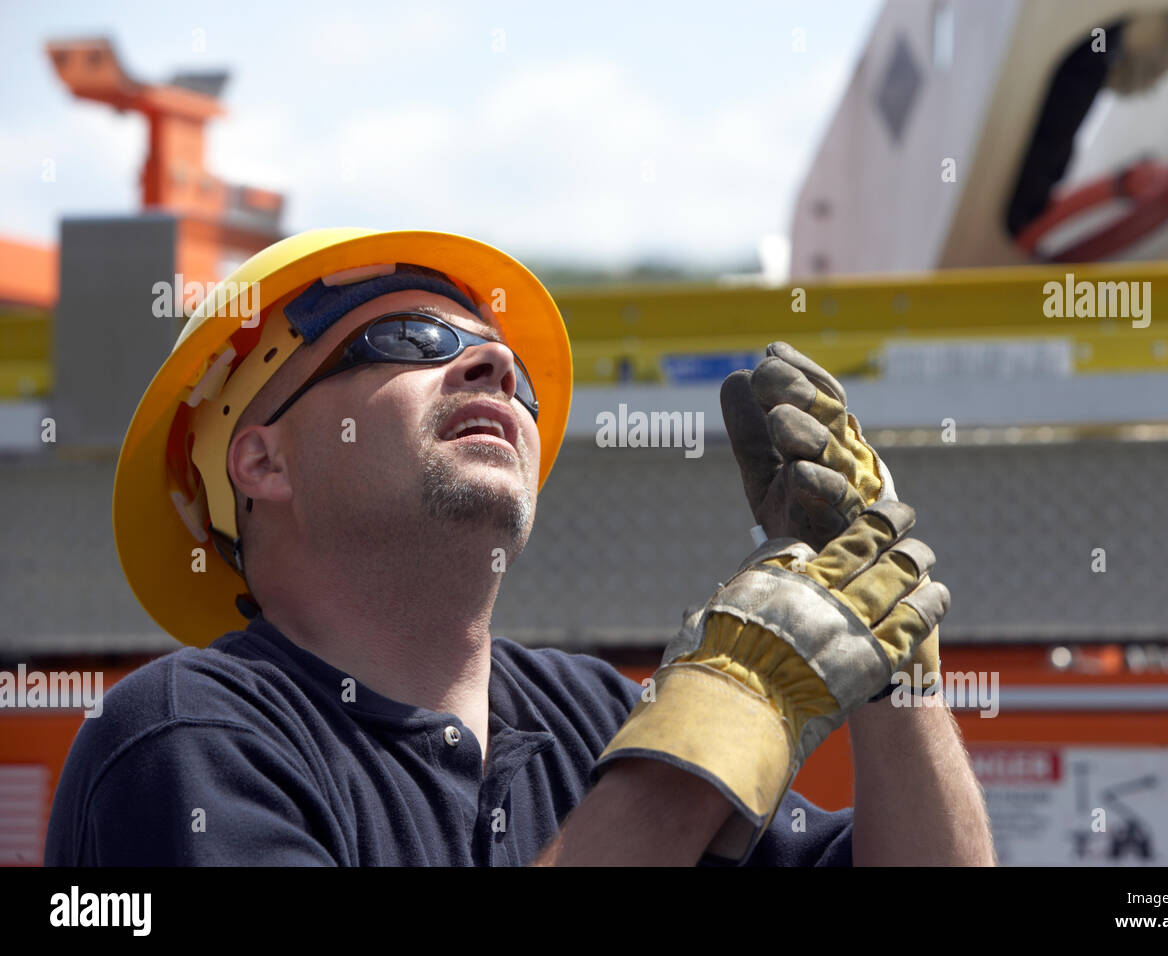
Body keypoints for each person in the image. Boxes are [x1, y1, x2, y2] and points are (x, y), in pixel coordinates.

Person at [44, 229, 994, 866]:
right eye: (410, 336)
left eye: (510, 368)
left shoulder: (588, 715)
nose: (496, 363)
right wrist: (715, 728)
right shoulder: (188, 742)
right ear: (263, 458)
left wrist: (893, 662)